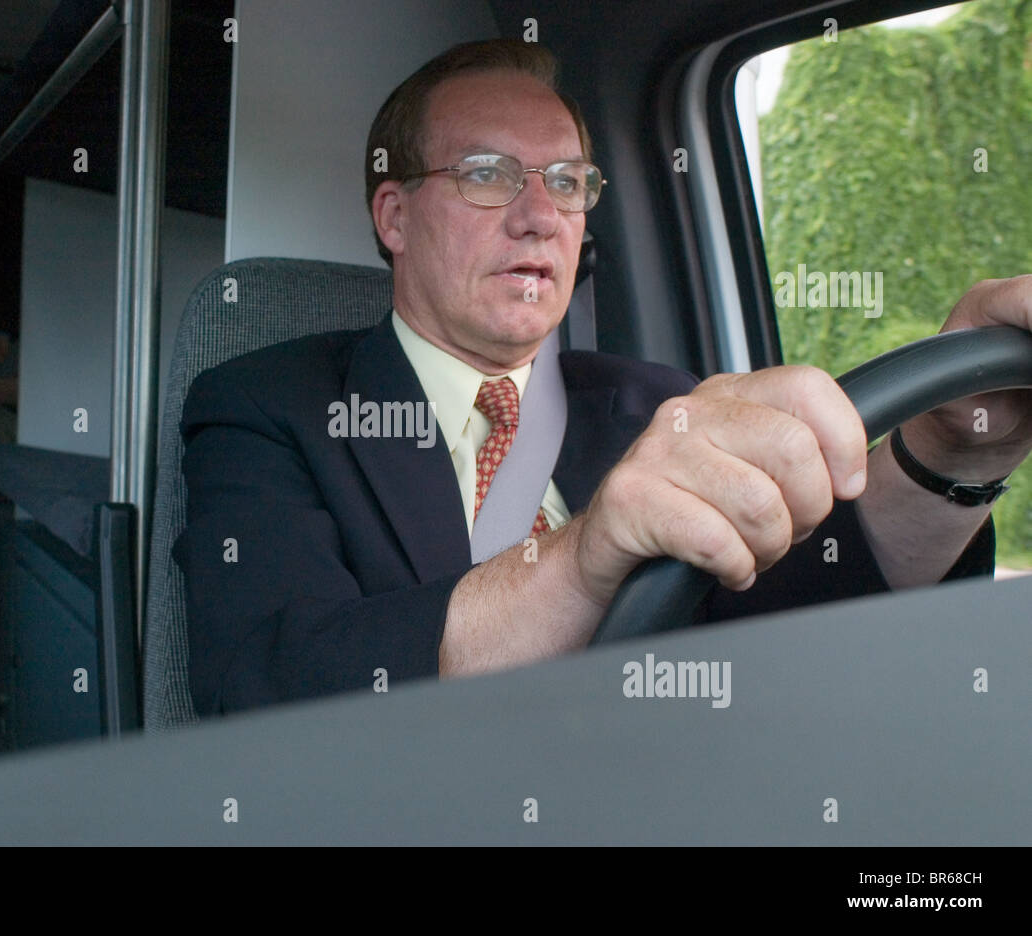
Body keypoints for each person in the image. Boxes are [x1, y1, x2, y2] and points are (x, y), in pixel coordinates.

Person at [174, 39, 1032, 716]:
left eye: (568, 182)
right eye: (486, 175)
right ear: (394, 214)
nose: (541, 216)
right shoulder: (265, 403)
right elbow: (268, 687)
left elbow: (810, 616)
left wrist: (948, 453)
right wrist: (583, 558)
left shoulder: (655, 400)